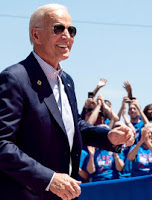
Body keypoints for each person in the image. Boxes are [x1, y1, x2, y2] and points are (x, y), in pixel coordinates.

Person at [0, 4, 134, 200]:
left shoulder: (67, 81)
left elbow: (72, 126)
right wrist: (49, 179)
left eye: (71, 30)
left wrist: (107, 137)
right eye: (58, 28)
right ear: (36, 35)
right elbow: (2, 143)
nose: (67, 36)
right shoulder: (14, 78)